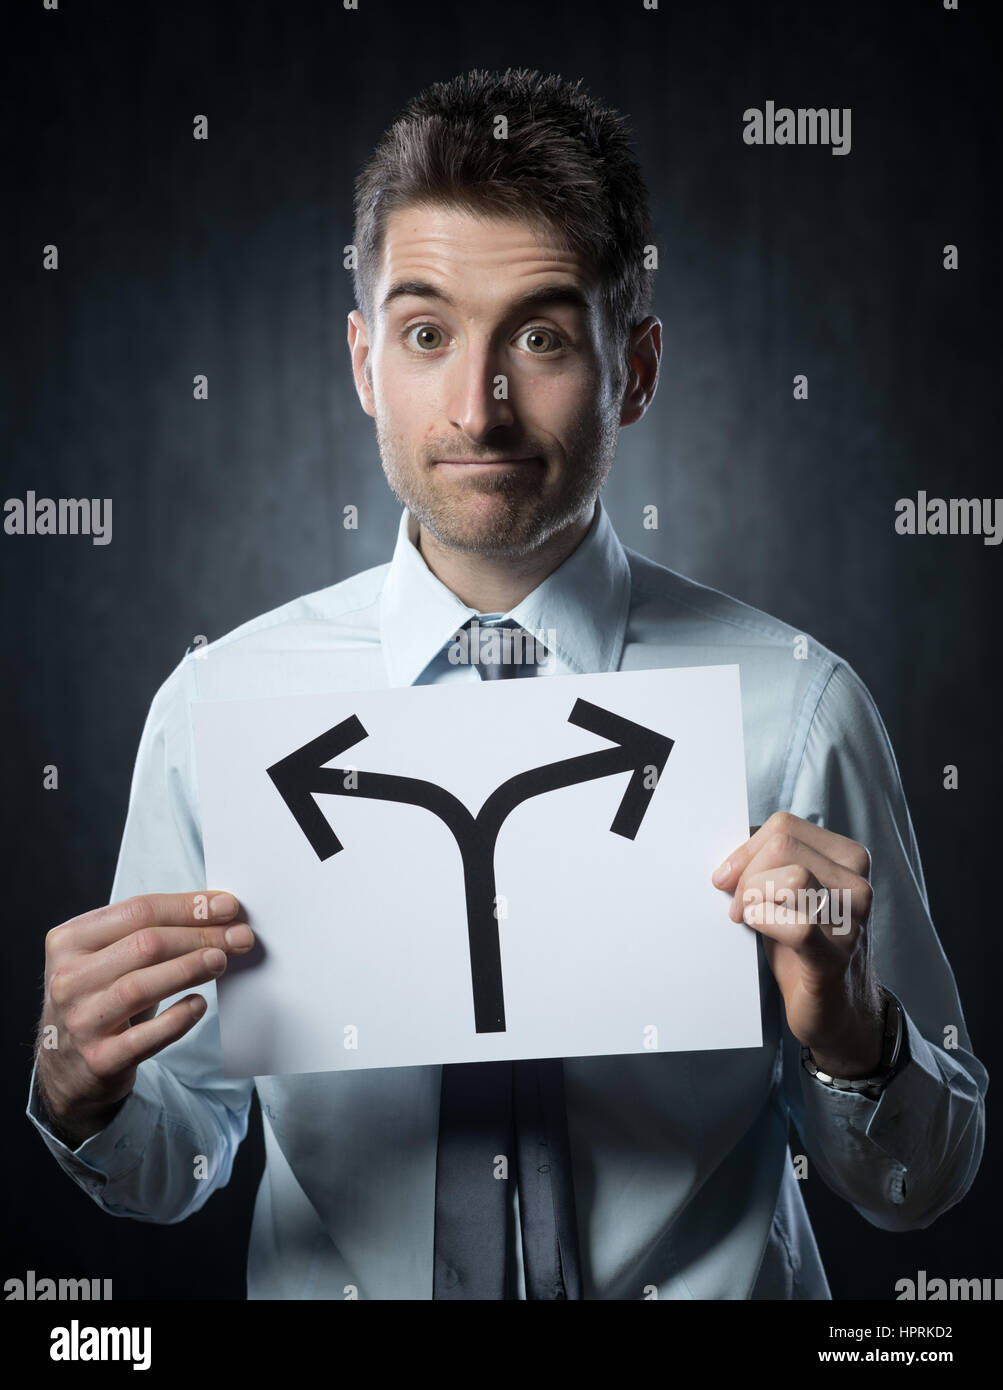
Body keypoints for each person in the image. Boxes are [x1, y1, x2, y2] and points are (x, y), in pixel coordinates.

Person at [27, 67, 986, 1300]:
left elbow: (923, 1179)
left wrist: (857, 1040)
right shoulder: (218, 709)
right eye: (427, 334)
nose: (477, 408)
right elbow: (184, 1151)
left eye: (538, 335)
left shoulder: (795, 707)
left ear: (633, 369)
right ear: (365, 361)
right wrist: (80, 1089)